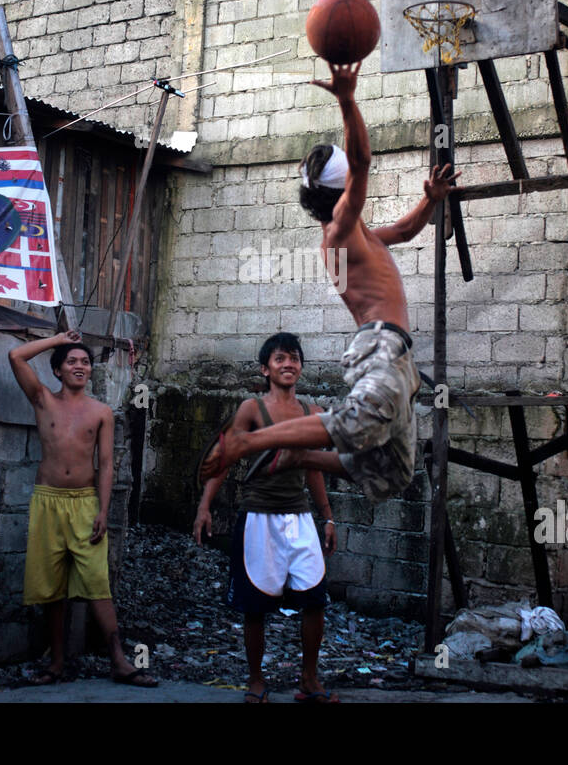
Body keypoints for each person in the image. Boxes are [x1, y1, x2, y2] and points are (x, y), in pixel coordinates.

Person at [196, 62, 459, 503]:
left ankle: (300, 457)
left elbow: (407, 230)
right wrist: (346, 99)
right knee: (355, 423)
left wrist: (430, 200)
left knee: (392, 472)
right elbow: (362, 160)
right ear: (342, 193)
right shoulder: (340, 230)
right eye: (352, 185)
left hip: (397, 355)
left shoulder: (356, 237)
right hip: (380, 345)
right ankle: (251, 442)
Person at [193, 332, 340, 703]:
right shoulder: (251, 409)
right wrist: (203, 507)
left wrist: (327, 517)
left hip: (299, 518)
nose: (288, 364)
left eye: (294, 358)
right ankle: (256, 680)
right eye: (280, 359)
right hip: (258, 518)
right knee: (256, 603)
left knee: (315, 600)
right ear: (265, 368)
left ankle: (309, 680)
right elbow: (222, 460)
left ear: (301, 367)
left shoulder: (313, 413)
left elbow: (313, 470)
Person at [7, 331, 155, 687]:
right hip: (48, 501)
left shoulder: (101, 412)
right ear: (57, 371)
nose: (80, 366)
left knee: (96, 583)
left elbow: (106, 464)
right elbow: (16, 356)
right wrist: (57, 338)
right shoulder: (43, 399)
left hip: (85, 503)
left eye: (85, 362)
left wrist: (103, 510)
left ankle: (119, 661)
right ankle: (56, 663)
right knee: (52, 588)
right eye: (71, 361)